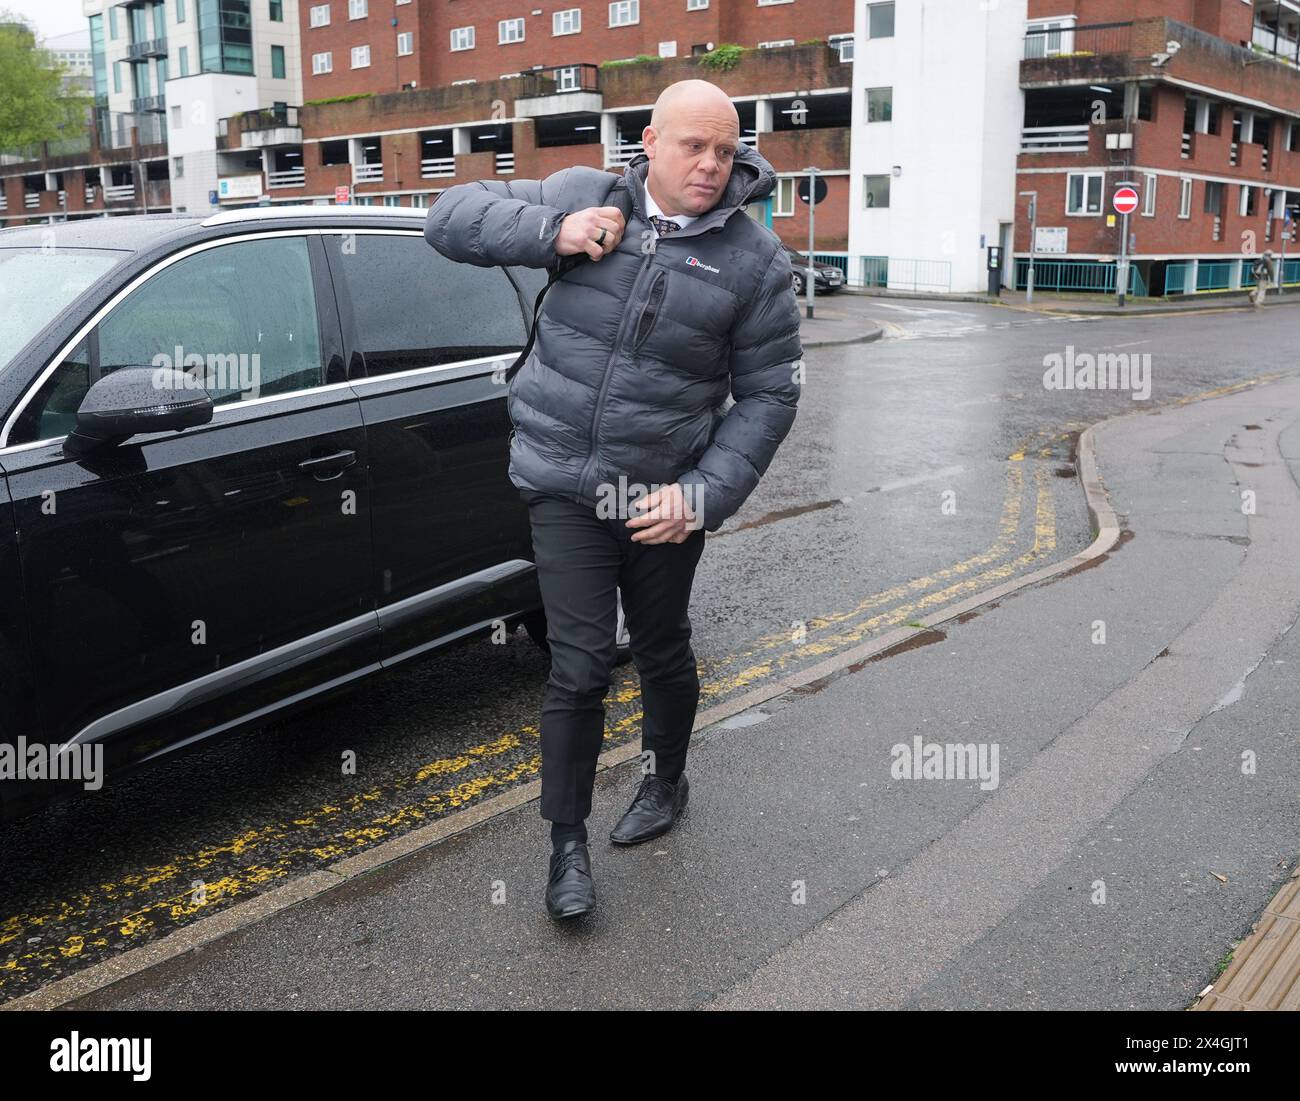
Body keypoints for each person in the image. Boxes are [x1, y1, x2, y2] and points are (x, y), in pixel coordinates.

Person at [424, 78, 803, 920]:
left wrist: (703, 496)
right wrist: (549, 230)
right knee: (580, 662)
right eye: (692, 146)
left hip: (665, 493)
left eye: (724, 149)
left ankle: (666, 778)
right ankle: (567, 845)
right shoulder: (583, 195)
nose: (709, 165)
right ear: (650, 144)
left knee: (663, 643)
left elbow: (771, 394)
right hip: (563, 478)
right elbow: (447, 217)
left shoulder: (754, 262)